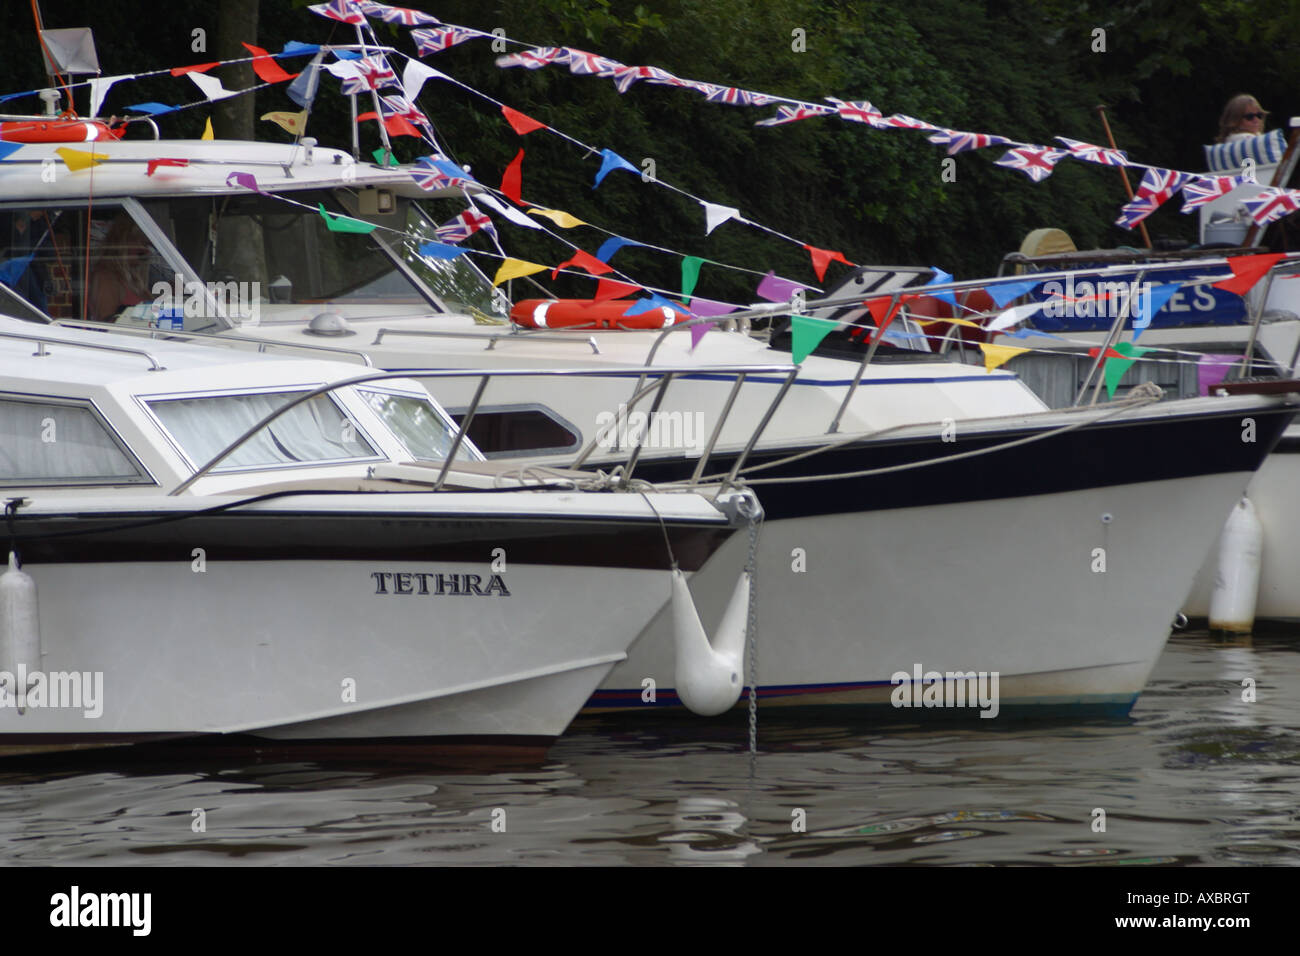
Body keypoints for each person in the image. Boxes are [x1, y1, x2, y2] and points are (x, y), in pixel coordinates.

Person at [87, 214, 153, 321]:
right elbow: (107, 322)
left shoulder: (133, 279)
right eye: (140, 243)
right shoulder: (106, 277)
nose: (146, 251)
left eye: (147, 245)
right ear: (124, 242)